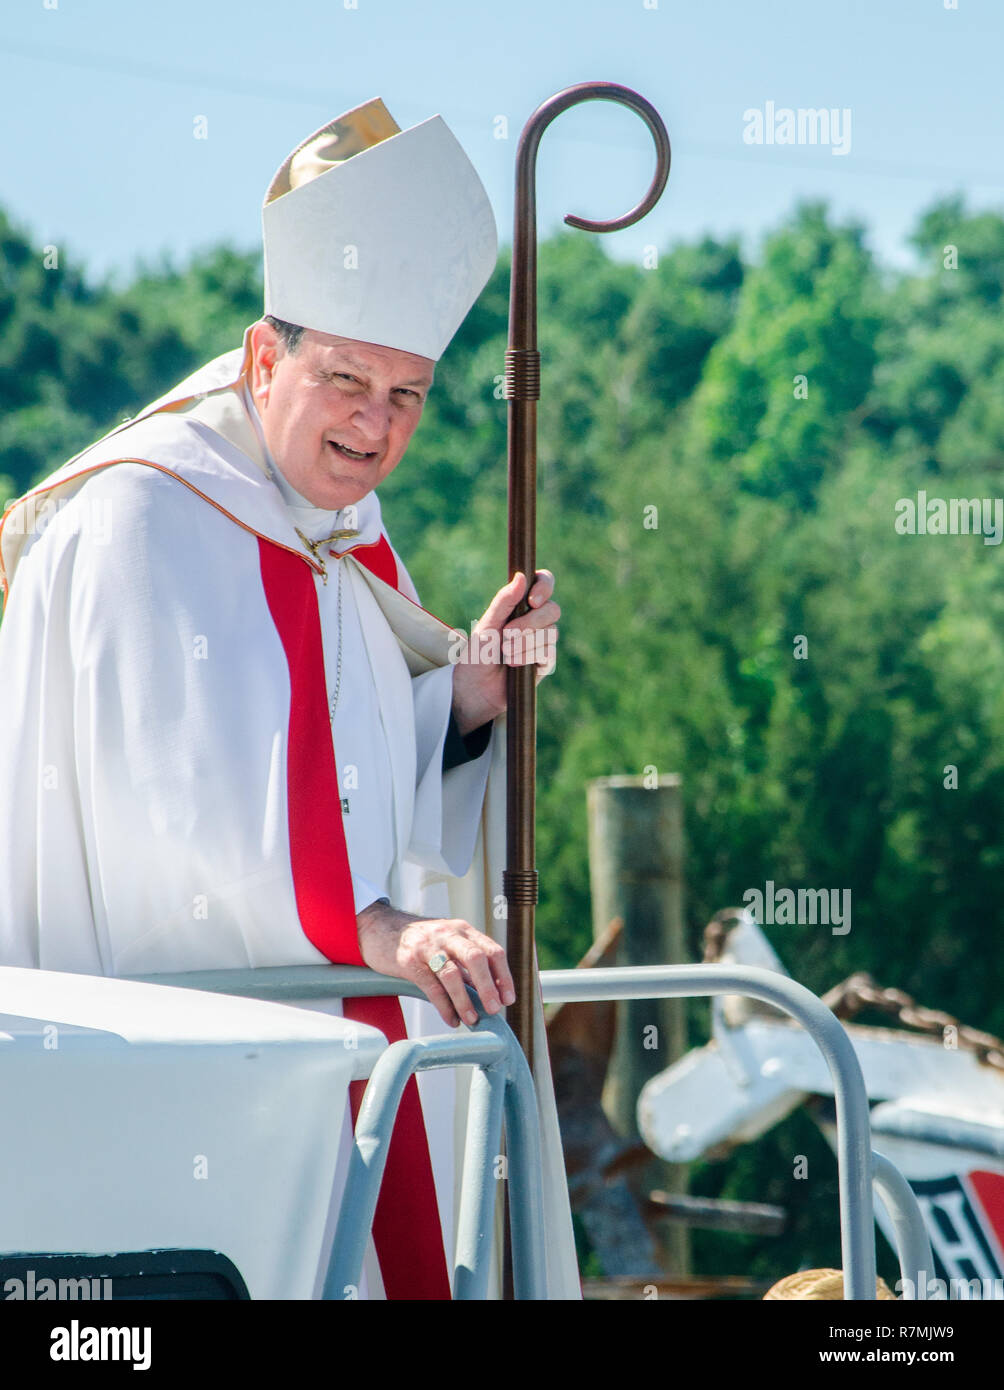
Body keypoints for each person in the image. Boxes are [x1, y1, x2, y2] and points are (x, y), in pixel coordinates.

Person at [0, 97, 578, 1299]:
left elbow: (352, 777)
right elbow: (167, 820)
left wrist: (465, 696)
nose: (373, 426)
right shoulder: (141, 515)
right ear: (265, 358)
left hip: (336, 1042)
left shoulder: (336, 534)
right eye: (345, 380)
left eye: (407, 396)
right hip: (178, 1077)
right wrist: (377, 932)